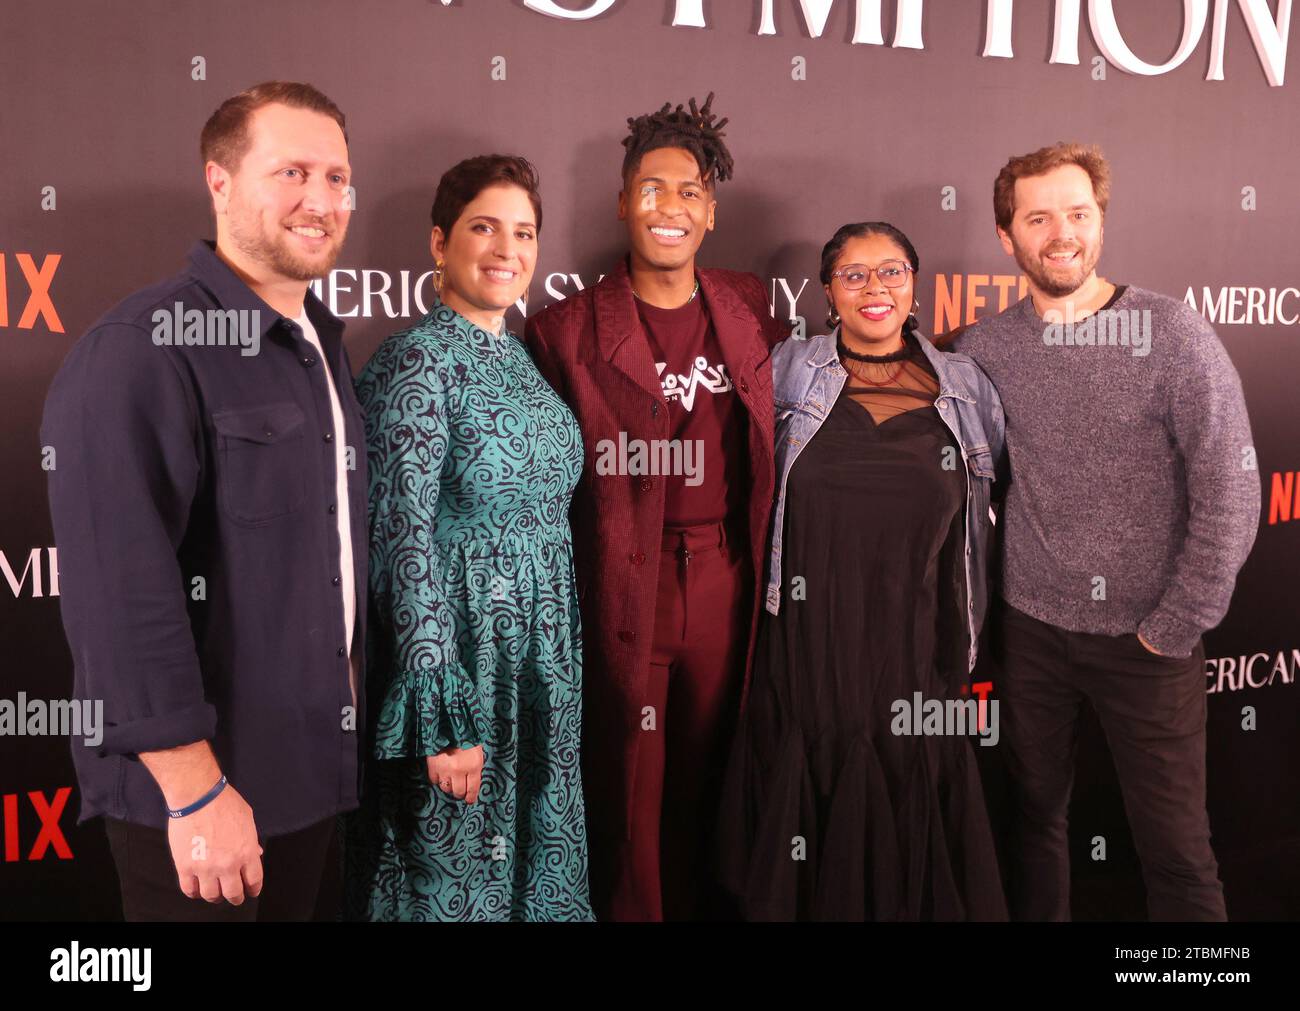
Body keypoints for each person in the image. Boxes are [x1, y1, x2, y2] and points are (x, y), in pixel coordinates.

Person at [41, 81, 365, 921]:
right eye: (291, 171)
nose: (320, 199)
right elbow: (121, 595)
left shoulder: (322, 351)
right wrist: (195, 792)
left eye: (337, 177)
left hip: (305, 783)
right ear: (218, 181)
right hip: (192, 800)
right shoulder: (142, 348)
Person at [950, 142, 1260, 921]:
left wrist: (1174, 625)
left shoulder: (1173, 331)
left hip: (1147, 644)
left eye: (1079, 213)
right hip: (1032, 636)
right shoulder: (986, 349)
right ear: (1006, 236)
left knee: (1178, 854)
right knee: (1035, 824)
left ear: (1100, 220)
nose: (1062, 233)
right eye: (1040, 216)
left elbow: (1232, 486)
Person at [525, 94, 789, 921]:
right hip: (621, 575)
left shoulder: (749, 310)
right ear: (621, 201)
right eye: (650, 188)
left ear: (710, 210)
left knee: (712, 776)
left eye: (687, 191)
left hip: (722, 574)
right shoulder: (566, 329)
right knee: (627, 782)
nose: (667, 207)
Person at [717, 222, 1009, 921]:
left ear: (914, 286)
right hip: (810, 635)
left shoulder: (965, 384)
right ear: (827, 291)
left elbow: (994, 501)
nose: (874, 288)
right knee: (816, 758)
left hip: (919, 636)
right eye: (854, 274)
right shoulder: (787, 367)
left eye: (891, 272)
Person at [343, 155, 592, 921]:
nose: (506, 248)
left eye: (523, 232)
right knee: (455, 881)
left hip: (538, 669)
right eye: (484, 227)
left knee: (528, 870)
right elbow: (401, 541)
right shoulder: (416, 361)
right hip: (461, 665)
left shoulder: (521, 357)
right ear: (439, 242)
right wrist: (442, 718)